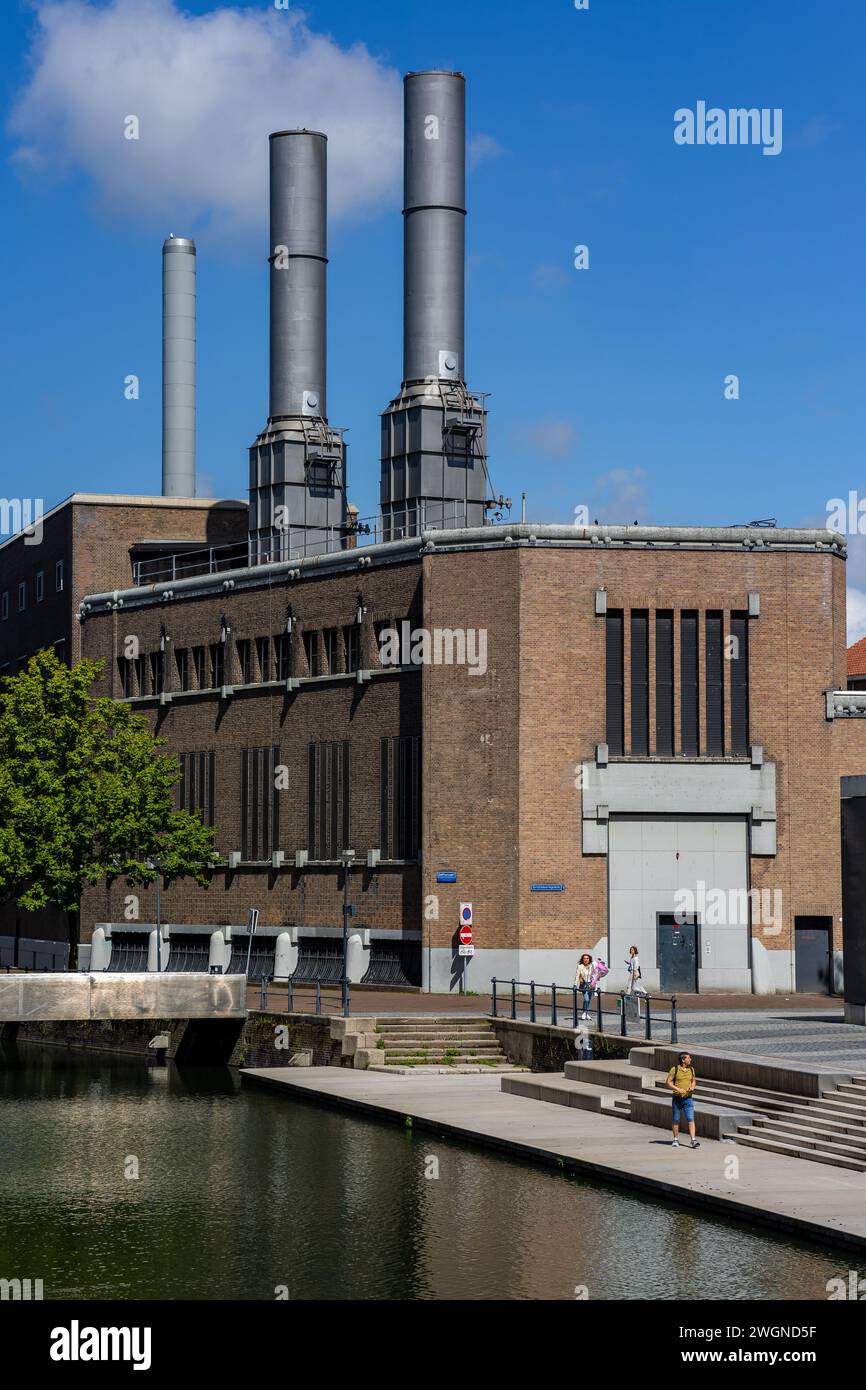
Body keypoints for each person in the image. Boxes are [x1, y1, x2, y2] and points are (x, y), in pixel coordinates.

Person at [666, 1051, 700, 1149]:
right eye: (688, 1058)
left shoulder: (691, 1069)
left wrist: (692, 1087)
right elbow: (668, 1082)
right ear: (683, 1060)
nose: (690, 1059)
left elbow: (693, 1081)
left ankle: (693, 1140)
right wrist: (677, 1089)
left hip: (688, 1099)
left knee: (691, 1119)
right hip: (677, 1098)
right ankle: (675, 1139)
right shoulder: (675, 1069)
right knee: (676, 1119)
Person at [575, 952, 594, 1019]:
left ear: (589, 959)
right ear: (582, 959)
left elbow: (595, 974)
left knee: (589, 1000)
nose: (586, 959)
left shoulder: (592, 966)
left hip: (591, 985)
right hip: (584, 985)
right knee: (586, 999)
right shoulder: (580, 966)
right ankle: (584, 1013)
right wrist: (575, 984)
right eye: (584, 958)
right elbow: (577, 976)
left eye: (587, 958)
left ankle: (586, 1013)